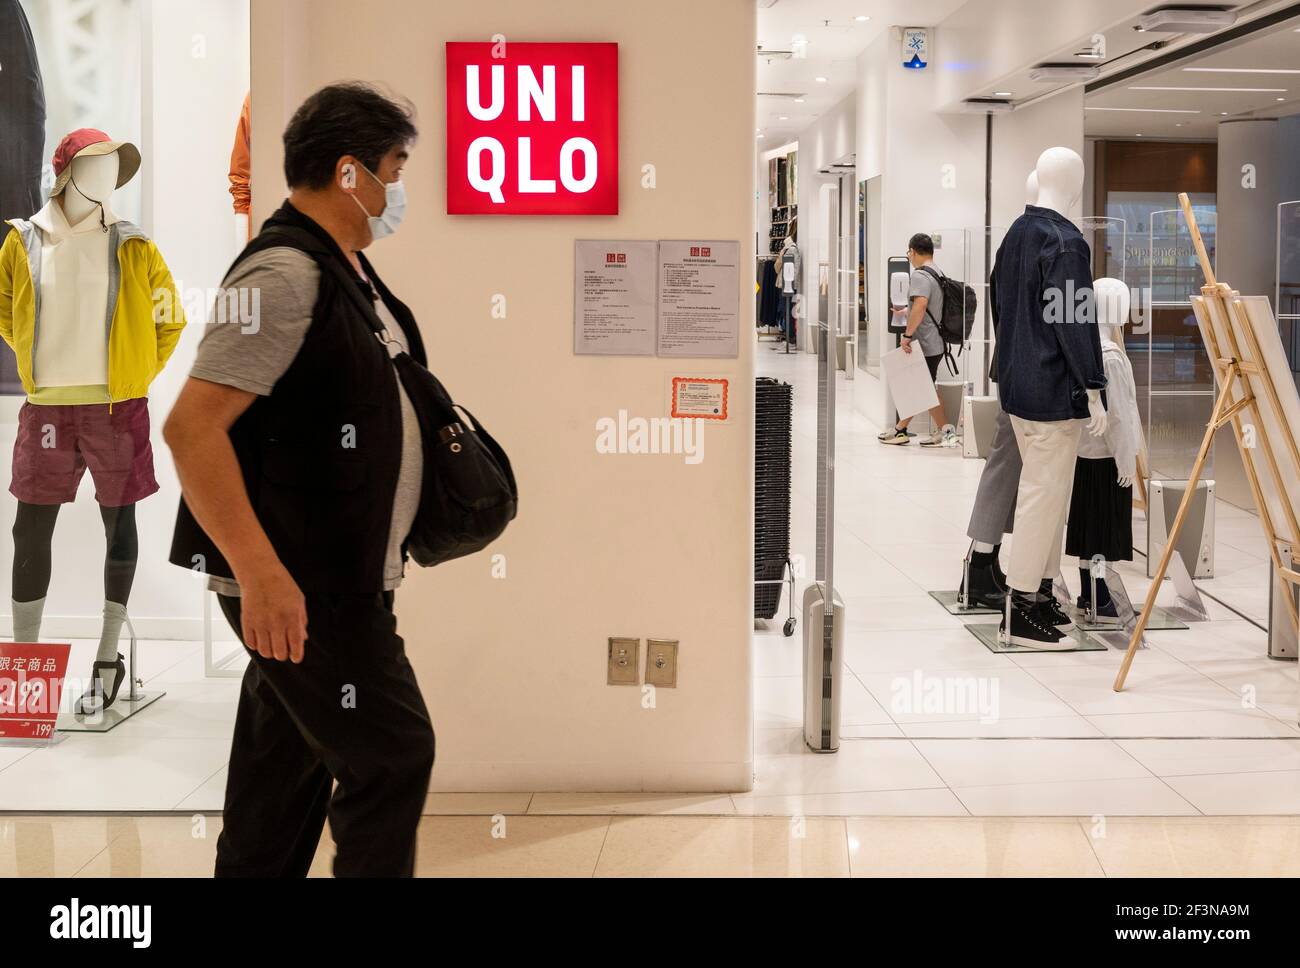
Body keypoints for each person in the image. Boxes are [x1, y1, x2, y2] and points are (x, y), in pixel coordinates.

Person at [164, 82, 434, 878]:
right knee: (393, 755)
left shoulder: (341, 269)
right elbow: (191, 428)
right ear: (352, 174)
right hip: (307, 585)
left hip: (334, 573)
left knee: (284, 777)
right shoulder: (281, 277)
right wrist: (260, 575)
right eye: (397, 165)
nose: (400, 187)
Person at [877, 233, 957, 446]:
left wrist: (907, 335)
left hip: (926, 342)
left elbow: (921, 306)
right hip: (935, 341)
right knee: (922, 387)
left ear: (912, 251)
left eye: (908, 253)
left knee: (925, 389)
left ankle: (944, 433)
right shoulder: (937, 271)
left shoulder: (920, 275)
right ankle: (901, 429)